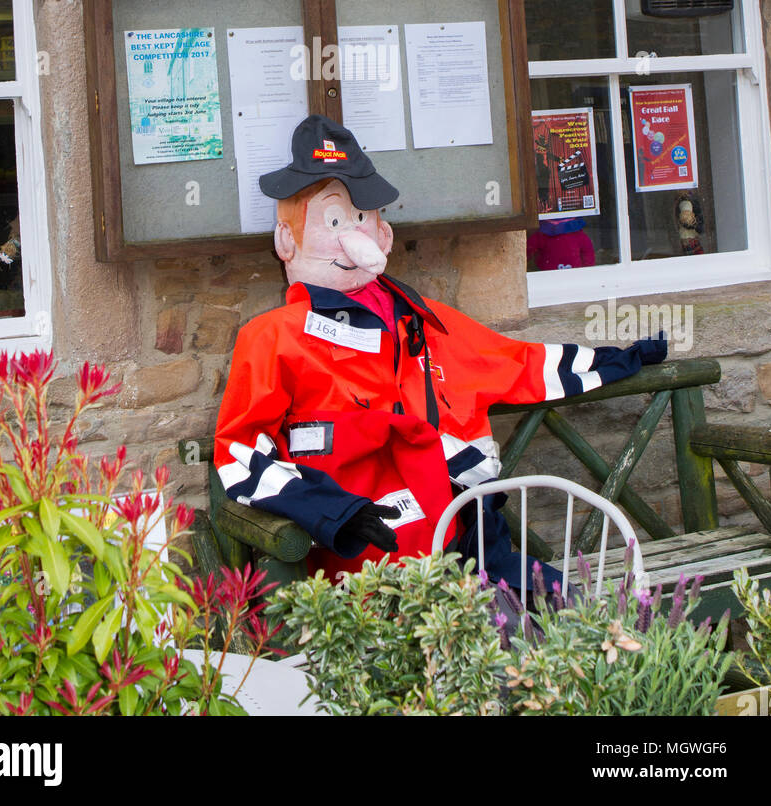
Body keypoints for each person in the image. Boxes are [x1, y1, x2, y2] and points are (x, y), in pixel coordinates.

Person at [214, 115, 667, 587]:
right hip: (367, 573)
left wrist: (619, 359)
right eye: (334, 219)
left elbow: (516, 363)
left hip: (471, 551)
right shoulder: (274, 337)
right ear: (288, 240)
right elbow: (240, 451)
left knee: (576, 621)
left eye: (363, 217)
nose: (356, 235)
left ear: (382, 233)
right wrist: (333, 513)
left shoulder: (423, 319)